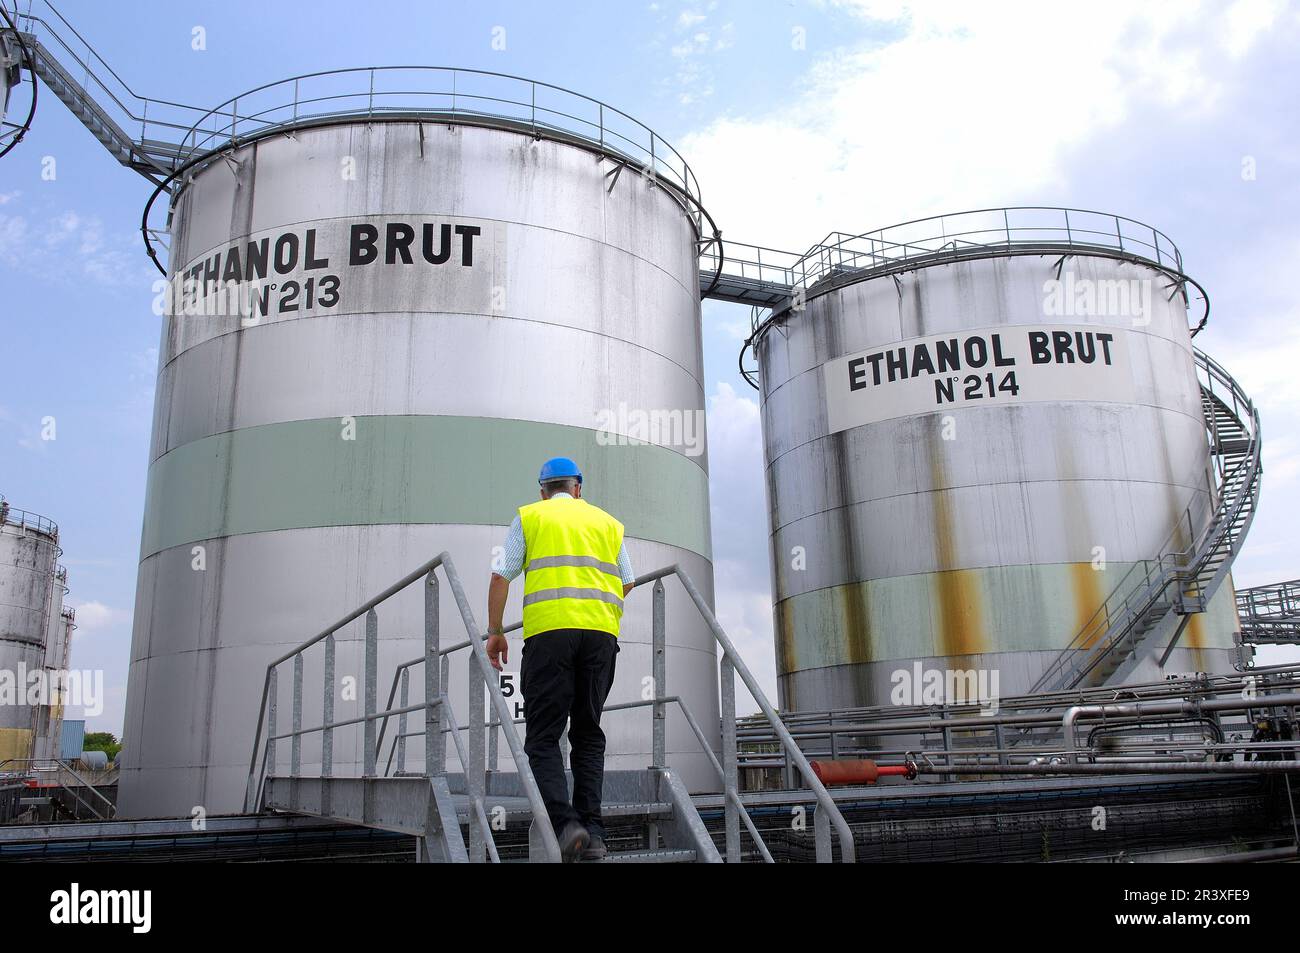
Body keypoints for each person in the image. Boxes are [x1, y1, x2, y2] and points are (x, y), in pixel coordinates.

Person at [485, 457, 634, 862]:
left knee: (543, 736)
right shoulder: (608, 523)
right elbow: (628, 579)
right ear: (578, 488)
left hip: (550, 635)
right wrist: (598, 608)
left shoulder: (530, 517)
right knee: (588, 732)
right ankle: (596, 832)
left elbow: (501, 575)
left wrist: (496, 631)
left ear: (543, 491)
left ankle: (567, 826)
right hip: (601, 636)